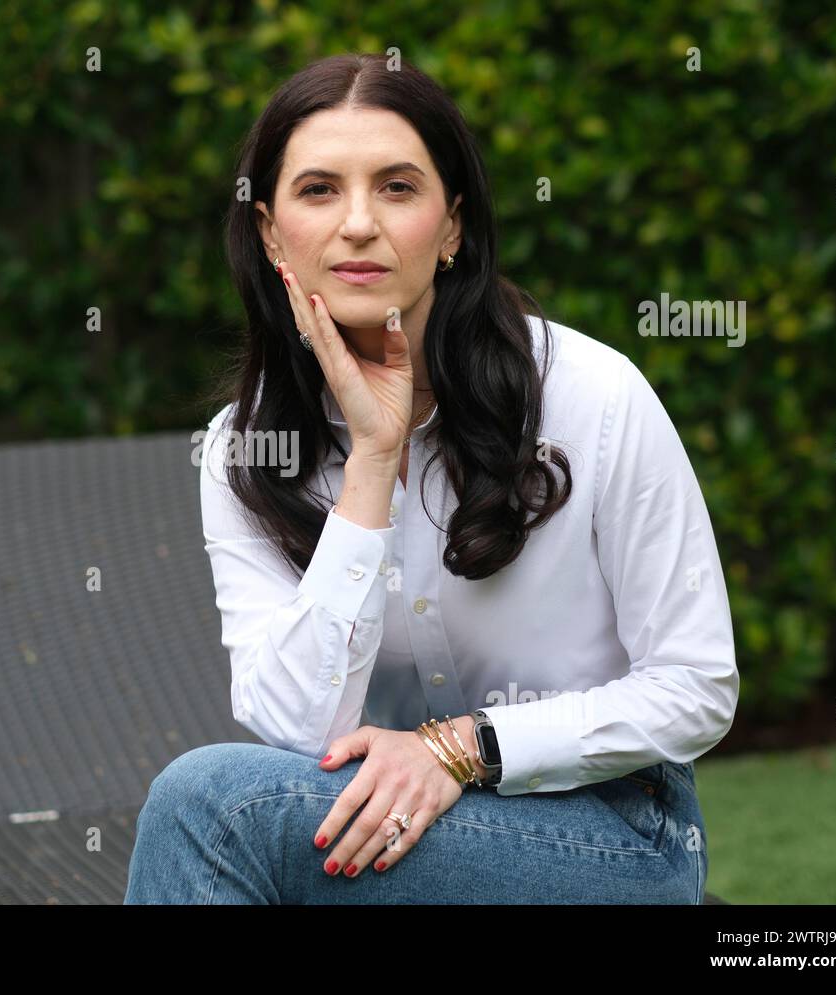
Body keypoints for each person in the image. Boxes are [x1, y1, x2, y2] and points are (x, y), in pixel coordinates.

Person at [124, 52, 737, 904]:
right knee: (226, 810)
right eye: (318, 190)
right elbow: (299, 730)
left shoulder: (592, 397)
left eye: (398, 187)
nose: (359, 224)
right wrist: (373, 463)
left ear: (452, 226)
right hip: (388, 825)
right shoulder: (244, 449)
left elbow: (696, 687)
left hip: (618, 836)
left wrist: (464, 747)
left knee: (209, 807)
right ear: (270, 234)